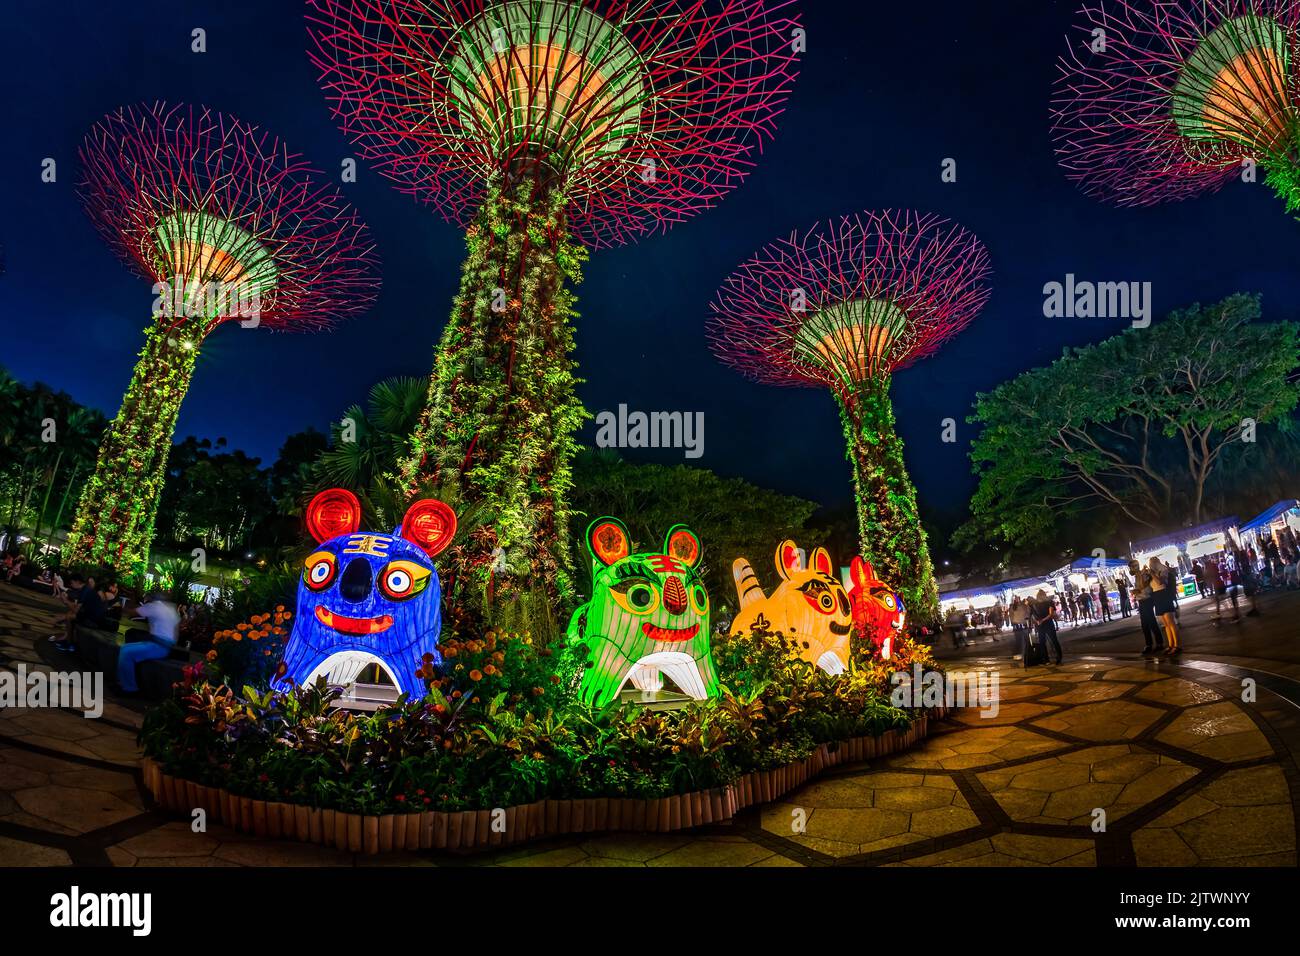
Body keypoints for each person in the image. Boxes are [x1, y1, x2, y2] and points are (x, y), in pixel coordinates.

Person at [116, 591, 180, 695]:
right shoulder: (171, 608)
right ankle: (124, 683)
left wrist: (124, 604)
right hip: (164, 645)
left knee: (126, 652)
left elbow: (132, 612)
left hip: (159, 646)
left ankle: (129, 688)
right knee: (127, 647)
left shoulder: (154, 606)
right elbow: (176, 630)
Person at [1148, 556, 1180, 654]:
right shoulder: (1152, 573)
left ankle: (1176, 645)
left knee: (1170, 622)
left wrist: (1152, 573)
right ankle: (1170, 645)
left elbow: (1160, 582)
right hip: (1157, 597)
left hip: (1164, 595)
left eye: (1153, 562)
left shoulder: (1163, 571)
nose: (1151, 564)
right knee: (1165, 624)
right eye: (1150, 563)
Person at [1130, 559, 1162, 656]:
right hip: (1141, 600)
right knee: (1144, 624)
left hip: (1147, 599)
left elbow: (1144, 585)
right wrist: (1136, 591)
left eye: (1132, 567)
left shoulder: (1143, 574)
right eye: (1131, 567)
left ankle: (1159, 643)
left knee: (1151, 621)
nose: (1130, 569)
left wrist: (1137, 590)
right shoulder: (1136, 576)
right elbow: (1140, 587)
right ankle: (1149, 644)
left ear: (1135, 566)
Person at [1031, 589, 1062, 665]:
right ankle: (1059, 657)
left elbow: (1033, 616)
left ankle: (1046, 660)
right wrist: (1042, 620)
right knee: (1054, 641)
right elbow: (1051, 614)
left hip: (1040, 625)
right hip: (1048, 623)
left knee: (1042, 642)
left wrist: (1038, 621)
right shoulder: (1049, 603)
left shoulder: (1034, 604)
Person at [1009, 596, 1031, 663]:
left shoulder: (1023, 605)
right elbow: (1011, 616)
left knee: (1025, 641)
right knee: (1020, 641)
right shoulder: (1013, 607)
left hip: (1022, 625)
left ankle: (1027, 655)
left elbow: (1028, 613)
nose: (1017, 599)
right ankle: (1020, 655)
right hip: (1019, 625)